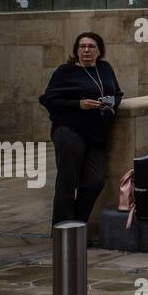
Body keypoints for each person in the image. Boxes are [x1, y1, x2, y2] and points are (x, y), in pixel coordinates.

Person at [40, 32, 123, 226]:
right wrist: (79, 104)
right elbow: (48, 100)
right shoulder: (65, 71)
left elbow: (117, 93)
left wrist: (111, 105)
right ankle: (63, 231)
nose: (86, 50)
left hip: (97, 134)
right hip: (70, 131)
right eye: (82, 46)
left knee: (95, 182)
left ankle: (76, 226)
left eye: (91, 46)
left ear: (99, 50)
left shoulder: (105, 68)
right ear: (76, 50)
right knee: (68, 182)